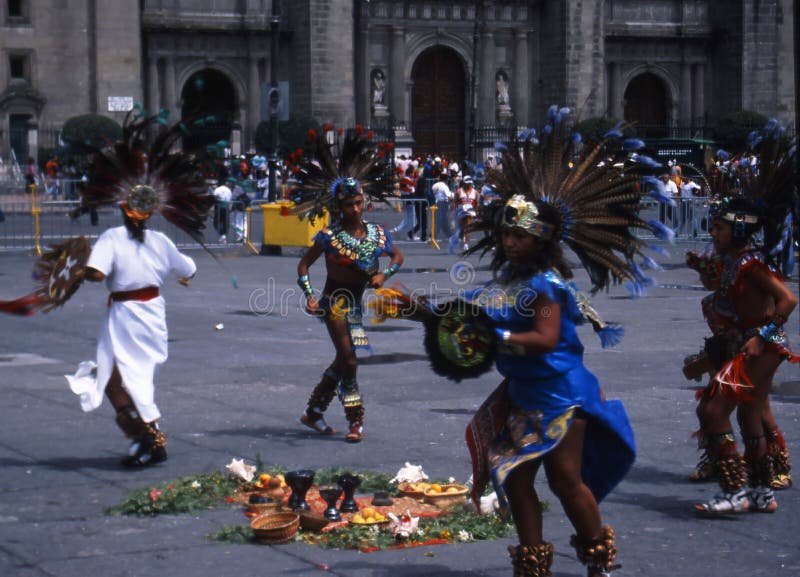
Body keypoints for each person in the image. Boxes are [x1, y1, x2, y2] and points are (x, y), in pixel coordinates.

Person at [436, 108, 664, 576]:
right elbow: (468, 315)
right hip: (525, 396)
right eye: (505, 233)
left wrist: (493, 335)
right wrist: (416, 309)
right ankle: (533, 565)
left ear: (539, 240)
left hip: (562, 396)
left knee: (564, 479)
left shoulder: (545, 285)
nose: (508, 241)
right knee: (517, 481)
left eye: (519, 235)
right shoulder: (507, 282)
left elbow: (542, 339)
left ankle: (599, 560)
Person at [63, 112, 213, 467]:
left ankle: (150, 440)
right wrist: (180, 275)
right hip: (152, 314)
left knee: (119, 383)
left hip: (126, 317)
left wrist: (73, 272)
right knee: (131, 379)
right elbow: (189, 268)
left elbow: (97, 275)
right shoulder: (161, 241)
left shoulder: (112, 238)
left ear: (122, 208)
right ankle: (146, 439)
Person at [292, 126, 402, 443]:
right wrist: (310, 296)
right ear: (339, 206)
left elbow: (398, 256)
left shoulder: (377, 234)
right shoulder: (329, 237)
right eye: (349, 204)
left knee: (342, 359)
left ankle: (313, 411)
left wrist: (386, 275)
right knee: (350, 358)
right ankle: (356, 421)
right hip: (334, 302)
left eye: (358, 202)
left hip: (355, 305)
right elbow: (303, 265)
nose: (355, 208)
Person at [450, 175, 477, 252]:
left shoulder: (475, 192)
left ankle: (466, 244)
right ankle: (457, 239)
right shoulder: (459, 191)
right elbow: (454, 203)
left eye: (470, 183)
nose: (469, 185)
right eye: (467, 183)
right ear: (464, 183)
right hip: (461, 211)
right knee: (462, 229)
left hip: (470, 211)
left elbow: (477, 203)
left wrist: (477, 212)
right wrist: (452, 213)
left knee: (468, 227)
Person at [213, 178, 233, 243]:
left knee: (216, 222)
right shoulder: (228, 190)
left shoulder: (217, 189)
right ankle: (223, 236)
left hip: (219, 207)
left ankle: (222, 235)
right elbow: (230, 199)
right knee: (225, 222)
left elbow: (214, 197)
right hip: (226, 207)